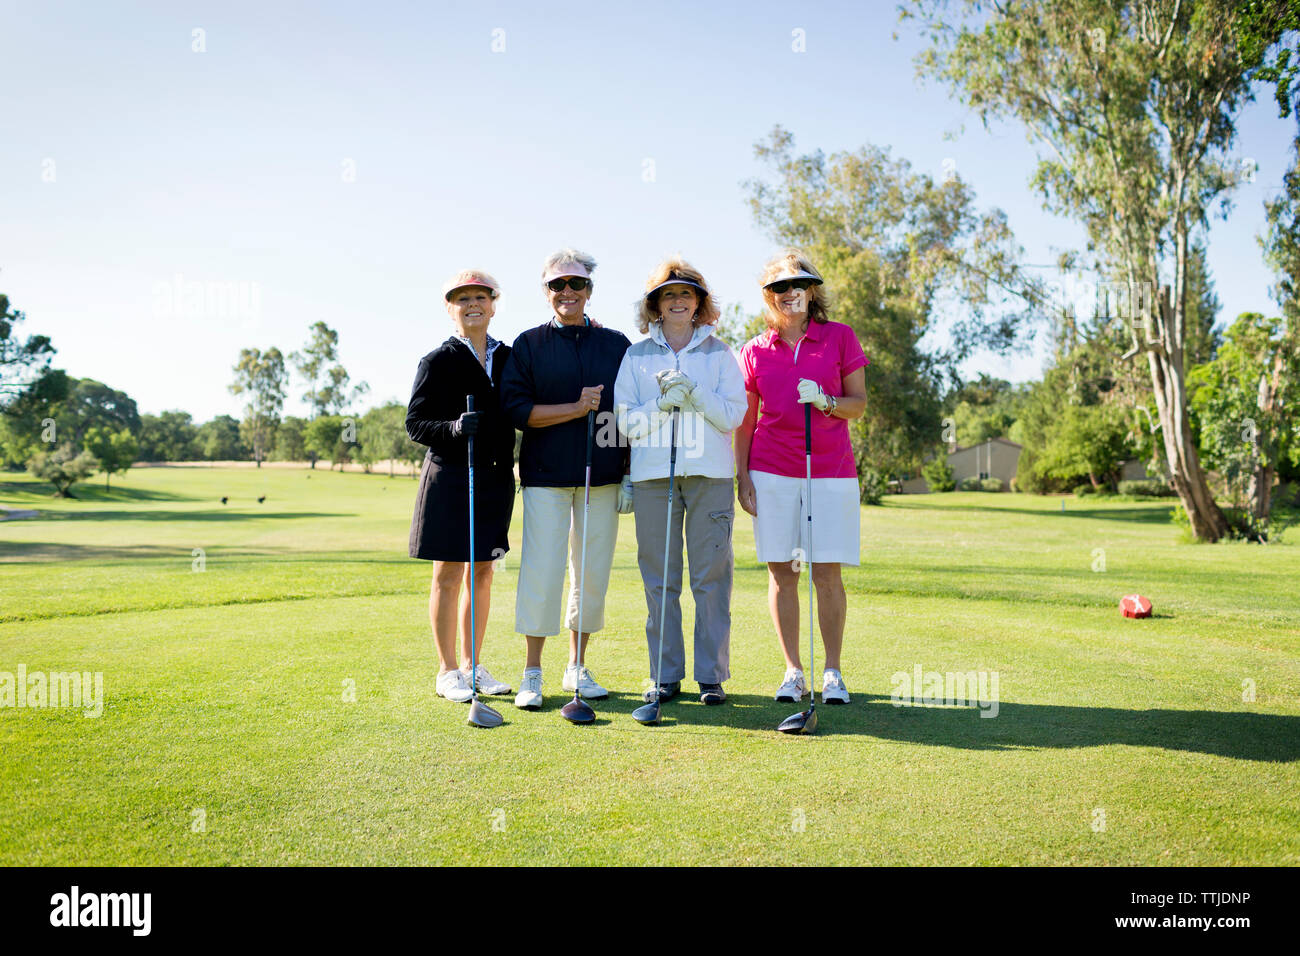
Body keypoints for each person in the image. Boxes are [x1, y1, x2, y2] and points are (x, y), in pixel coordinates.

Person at [735, 250, 869, 705]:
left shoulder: (839, 338)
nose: (789, 293)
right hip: (771, 471)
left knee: (827, 573)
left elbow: (858, 404)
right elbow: (745, 422)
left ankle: (832, 671)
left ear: (812, 291)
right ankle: (793, 670)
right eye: (779, 287)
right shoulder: (753, 350)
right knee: (783, 572)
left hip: (829, 471)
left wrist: (826, 401)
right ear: (768, 296)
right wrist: (743, 477)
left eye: (798, 284)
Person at [500, 249, 631, 710]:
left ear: (589, 291)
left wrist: (629, 471)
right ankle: (532, 672)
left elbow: (628, 413)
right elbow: (518, 412)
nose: (567, 292)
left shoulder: (616, 345)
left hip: (603, 476)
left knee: (590, 573)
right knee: (543, 570)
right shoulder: (528, 344)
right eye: (557, 285)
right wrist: (576, 408)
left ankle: (576, 664)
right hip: (545, 476)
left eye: (576, 284)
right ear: (546, 292)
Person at [615, 258, 746, 705]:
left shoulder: (721, 353)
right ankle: (664, 675)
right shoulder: (635, 356)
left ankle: (711, 676)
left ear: (699, 304)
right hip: (654, 478)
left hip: (710, 477)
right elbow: (626, 423)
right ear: (655, 304)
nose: (677, 301)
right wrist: (662, 405)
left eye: (685, 294)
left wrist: (693, 393)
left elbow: (732, 413)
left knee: (711, 578)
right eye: (668, 294)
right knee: (660, 579)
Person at [407, 269, 518, 704]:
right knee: (448, 573)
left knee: (484, 571)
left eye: (481, 297)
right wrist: (453, 427)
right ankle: (447, 670)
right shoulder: (437, 361)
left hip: (493, 478)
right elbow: (415, 423)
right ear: (450, 309)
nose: (473, 304)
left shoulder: (509, 358)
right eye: (462, 299)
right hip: (451, 477)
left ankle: (473, 666)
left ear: (493, 304)